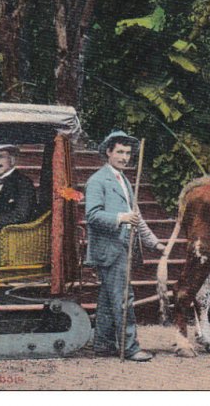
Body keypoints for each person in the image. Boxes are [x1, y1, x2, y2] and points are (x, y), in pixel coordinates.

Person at [85, 130, 166, 362]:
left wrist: (155, 244)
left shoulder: (124, 181)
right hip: (110, 249)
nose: (124, 157)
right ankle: (130, 347)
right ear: (108, 152)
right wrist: (120, 217)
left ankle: (102, 344)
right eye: (119, 152)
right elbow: (92, 215)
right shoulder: (98, 180)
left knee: (108, 299)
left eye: (128, 153)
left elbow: (136, 217)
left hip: (123, 248)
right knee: (123, 298)